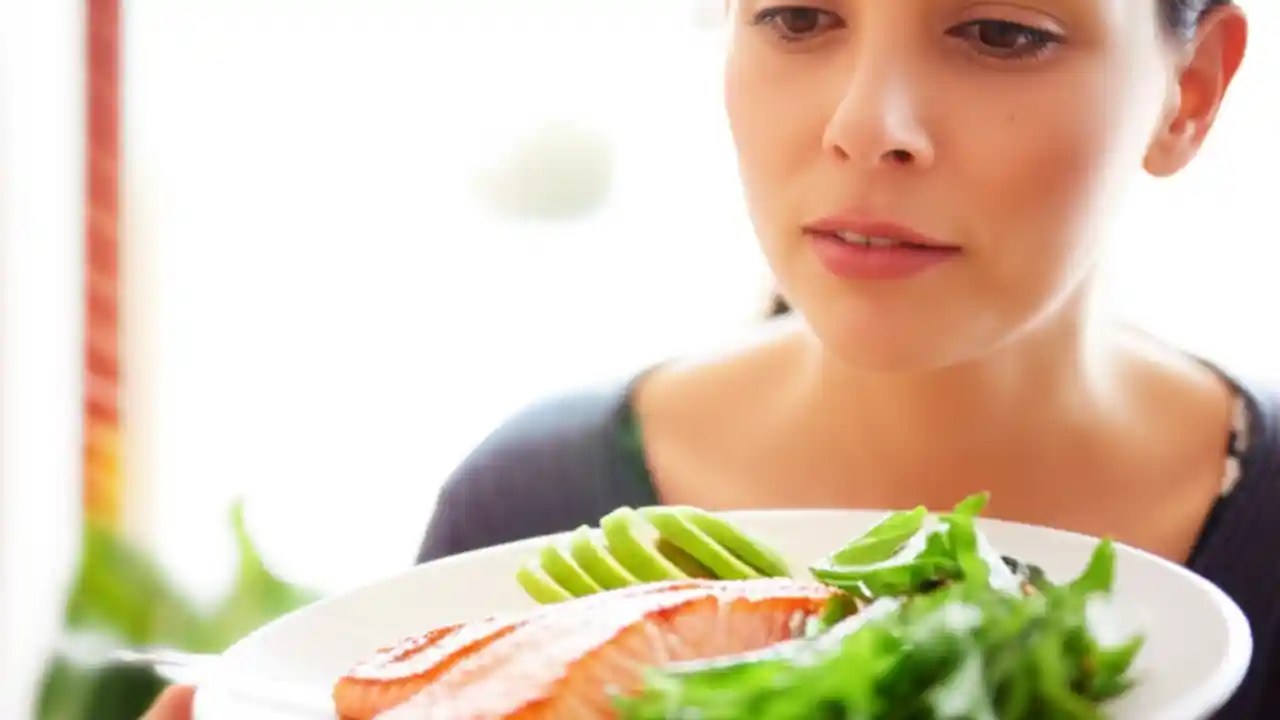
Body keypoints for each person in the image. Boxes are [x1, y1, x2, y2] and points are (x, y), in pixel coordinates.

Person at [144, 0, 1274, 718]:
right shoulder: (529, 504)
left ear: (1190, 92)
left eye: (999, 34)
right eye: (796, 19)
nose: (863, 121)